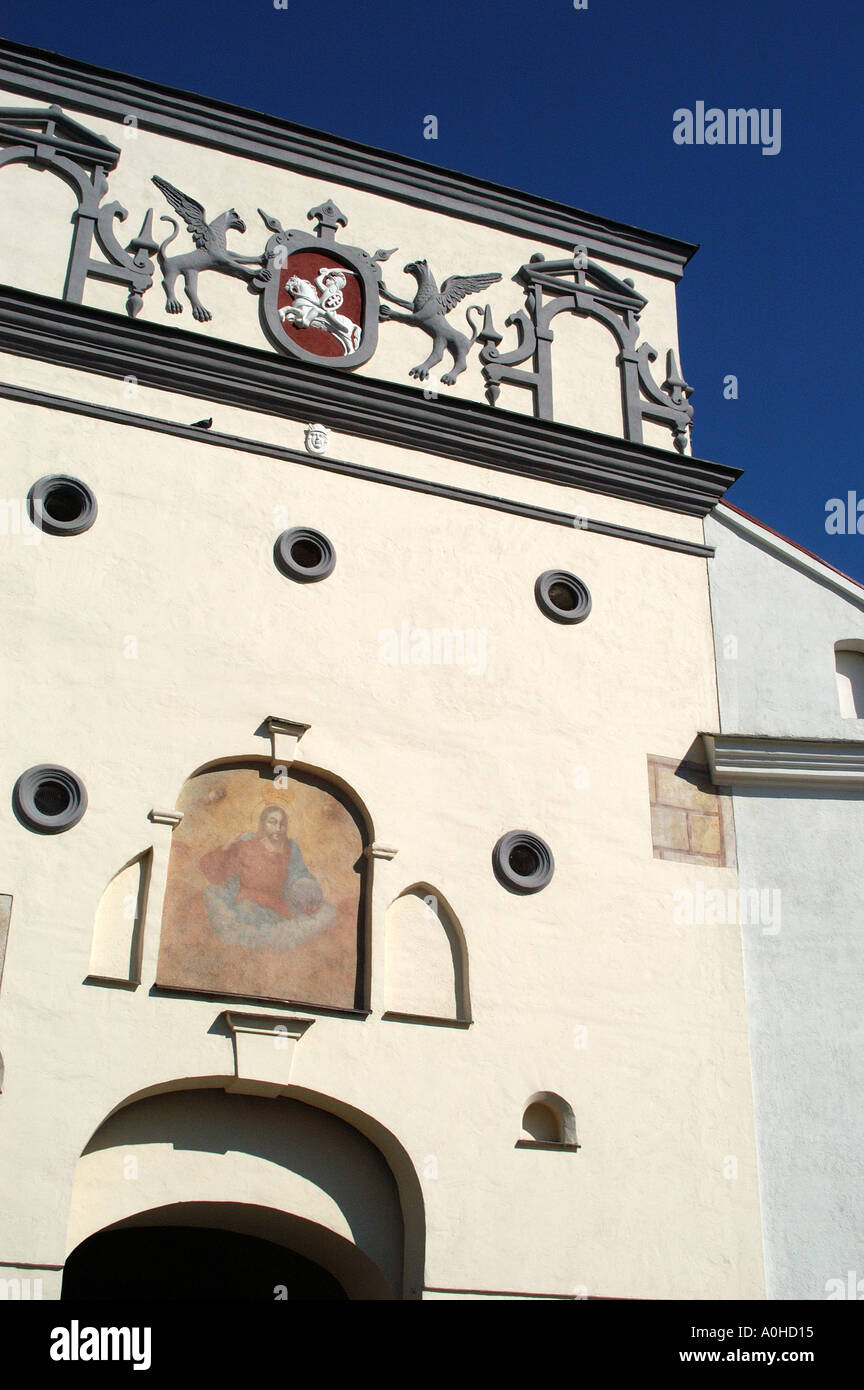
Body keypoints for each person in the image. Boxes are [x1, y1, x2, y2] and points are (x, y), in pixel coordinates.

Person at [199, 804, 334, 948]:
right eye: (273, 822)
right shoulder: (247, 845)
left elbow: (299, 873)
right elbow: (218, 873)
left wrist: (308, 891)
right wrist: (226, 847)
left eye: (282, 824)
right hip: (248, 902)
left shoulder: (290, 848)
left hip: (279, 905)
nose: (277, 828)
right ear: (263, 824)